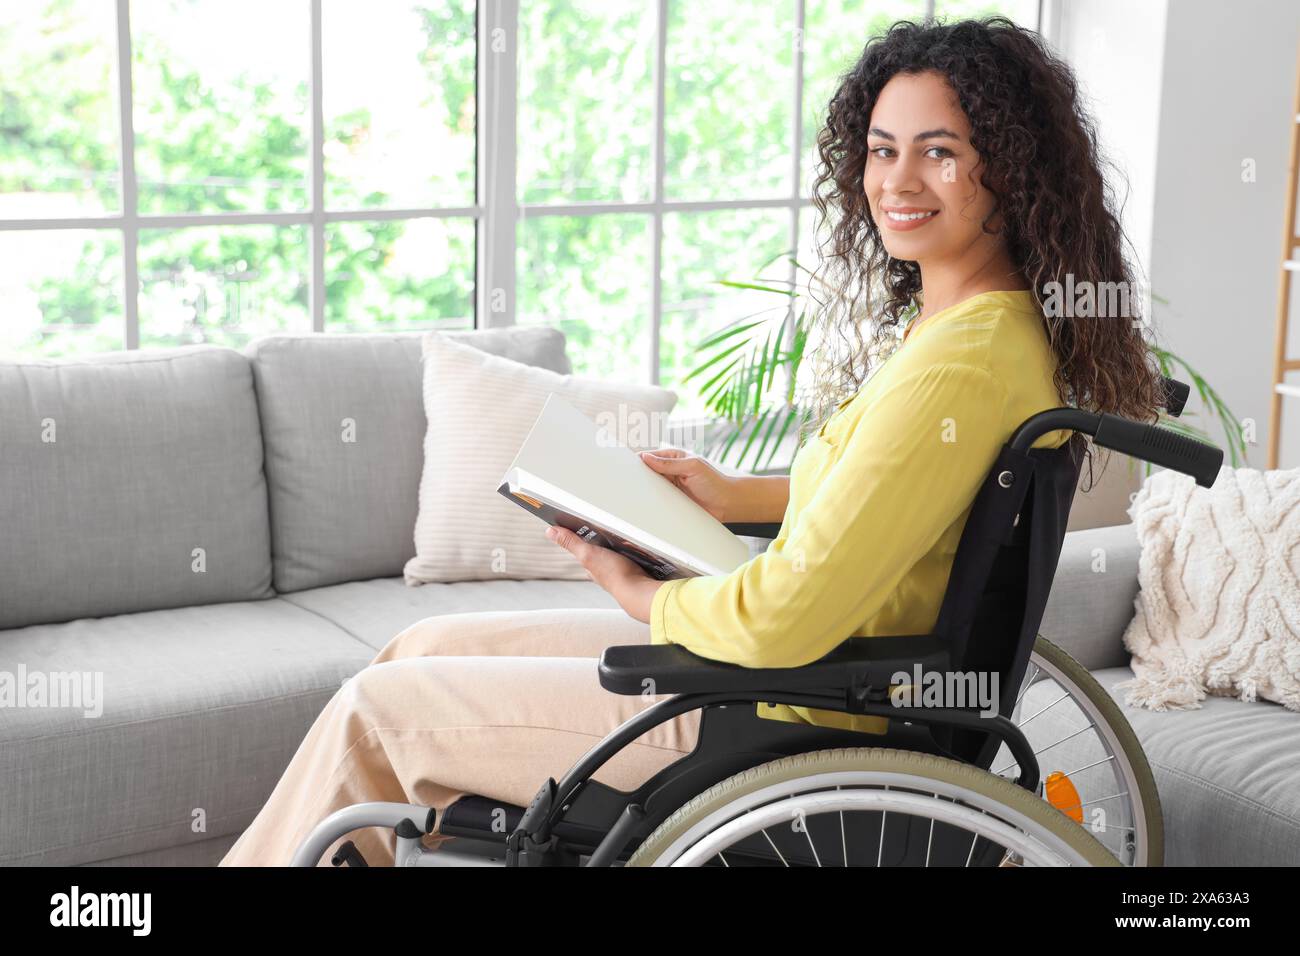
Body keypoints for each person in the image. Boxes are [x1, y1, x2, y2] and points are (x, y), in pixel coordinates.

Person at [220, 16, 1166, 866]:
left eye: (939, 152)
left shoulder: (962, 361)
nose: (897, 181)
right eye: (881, 150)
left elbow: (785, 620)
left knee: (374, 717)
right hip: (811, 677)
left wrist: (644, 596)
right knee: (419, 648)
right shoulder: (977, 329)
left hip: (791, 706)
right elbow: (912, 506)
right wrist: (737, 496)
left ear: (1010, 164)